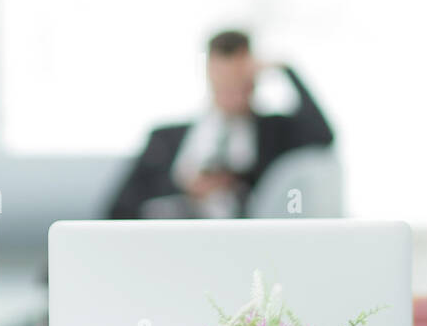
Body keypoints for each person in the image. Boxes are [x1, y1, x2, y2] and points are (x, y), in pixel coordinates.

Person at [106, 30, 334, 219]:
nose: (233, 94)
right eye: (224, 83)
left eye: (240, 83)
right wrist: (185, 189)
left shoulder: (274, 132)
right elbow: (118, 209)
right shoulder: (165, 138)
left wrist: (285, 69)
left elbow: (324, 136)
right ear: (209, 74)